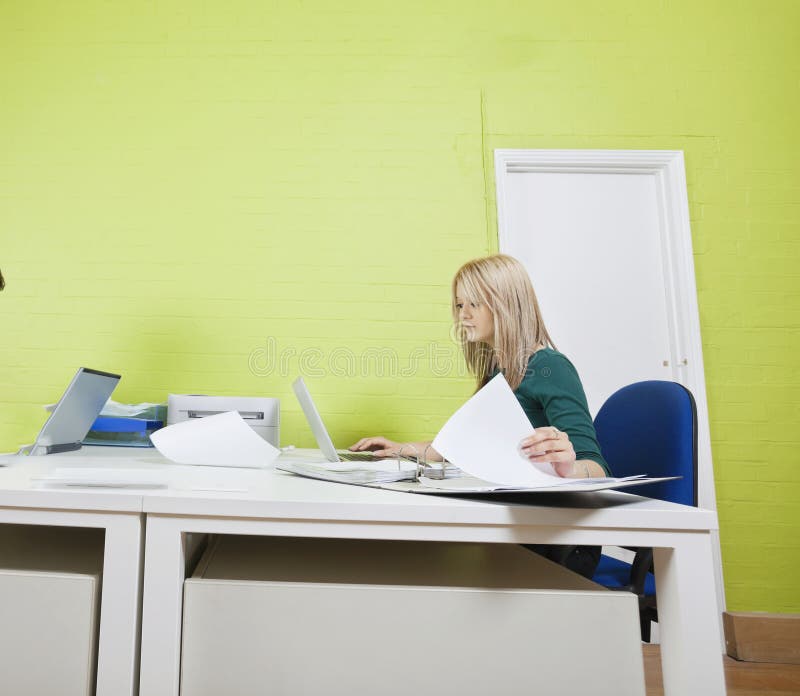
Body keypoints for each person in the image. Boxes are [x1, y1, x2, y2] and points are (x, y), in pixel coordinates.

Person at [350, 253, 610, 577]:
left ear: (506, 305)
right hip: (516, 525)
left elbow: (597, 469)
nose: (464, 316)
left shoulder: (550, 368)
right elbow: (465, 448)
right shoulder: (497, 372)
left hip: (557, 542)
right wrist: (402, 448)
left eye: (475, 304)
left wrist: (567, 467)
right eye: (460, 306)